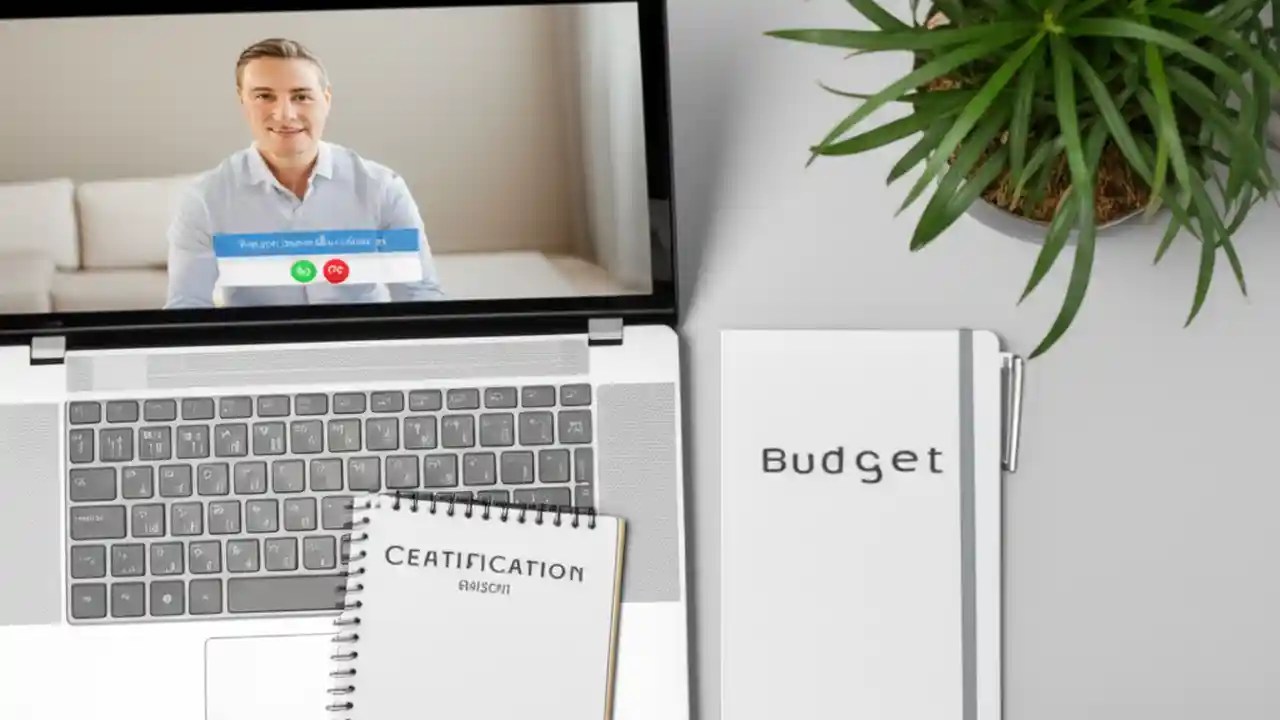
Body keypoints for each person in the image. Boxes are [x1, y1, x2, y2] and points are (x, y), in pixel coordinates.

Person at [164, 38, 445, 308]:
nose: (285, 114)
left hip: (358, 345)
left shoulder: (382, 188)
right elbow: (187, 307)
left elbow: (419, 295)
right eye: (264, 96)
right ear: (243, 101)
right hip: (260, 348)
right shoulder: (205, 199)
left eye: (301, 96)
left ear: (326, 99)